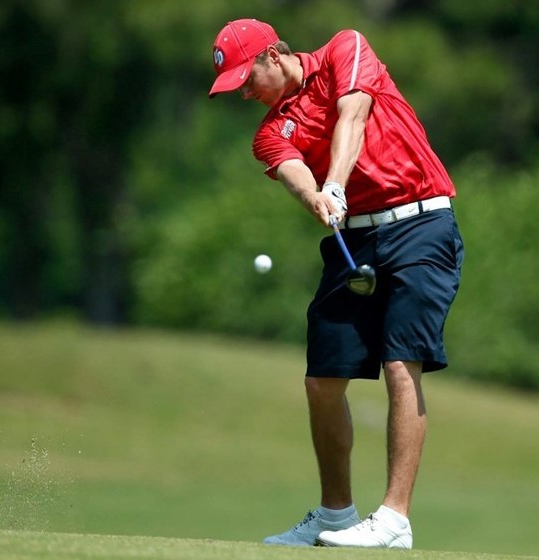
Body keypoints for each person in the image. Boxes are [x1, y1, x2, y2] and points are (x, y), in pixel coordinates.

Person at [208, 19, 464, 549]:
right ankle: (336, 515)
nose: (246, 93)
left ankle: (394, 521)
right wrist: (317, 198)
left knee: (401, 360)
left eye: (247, 79)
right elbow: (291, 170)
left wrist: (336, 185)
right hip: (355, 240)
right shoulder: (268, 131)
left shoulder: (344, 49)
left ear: (273, 57)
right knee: (322, 379)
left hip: (421, 224)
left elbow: (354, 115)